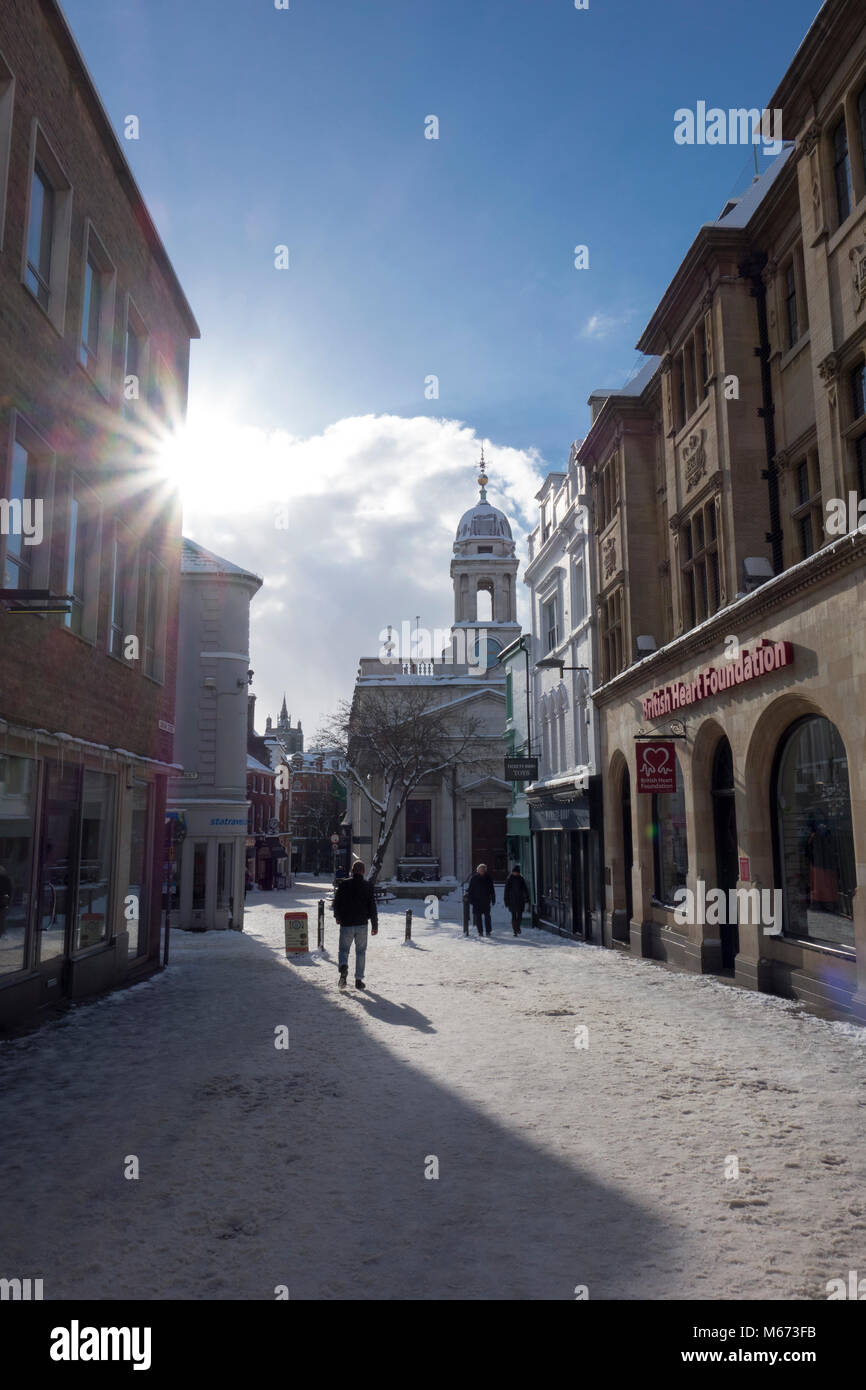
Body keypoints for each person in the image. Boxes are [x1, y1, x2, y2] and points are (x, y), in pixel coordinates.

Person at [332, 859, 378, 988]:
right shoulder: (368, 886)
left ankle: (343, 968)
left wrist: (338, 916)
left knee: (343, 950)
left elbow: (336, 903)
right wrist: (374, 925)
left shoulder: (344, 885)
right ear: (363, 871)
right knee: (361, 952)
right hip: (362, 924)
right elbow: (372, 907)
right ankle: (358, 980)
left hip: (346, 923)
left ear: (352, 871)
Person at [467, 863, 495, 937]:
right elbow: (470, 890)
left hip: (486, 900)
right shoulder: (474, 878)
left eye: (483, 869)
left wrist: (493, 899)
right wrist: (471, 900)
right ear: (478, 870)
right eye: (480, 869)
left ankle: (488, 931)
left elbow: (492, 889)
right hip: (476, 901)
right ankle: (480, 931)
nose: (482, 871)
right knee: (478, 917)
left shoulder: (488, 878)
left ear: (485, 870)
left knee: (487, 917)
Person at [504, 864, 530, 936]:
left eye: (517, 872)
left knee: (520, 915)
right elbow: (506, 891)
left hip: (520, 899)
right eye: (514, 872)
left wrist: (527, 897)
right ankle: (515, 930)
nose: (515, 873)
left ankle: (517, 927)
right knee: (513, 915)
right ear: (512, 872)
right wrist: (506, 901)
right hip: (512, 900)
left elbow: (525, 889)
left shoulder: (521, 879)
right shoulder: (509, 879)